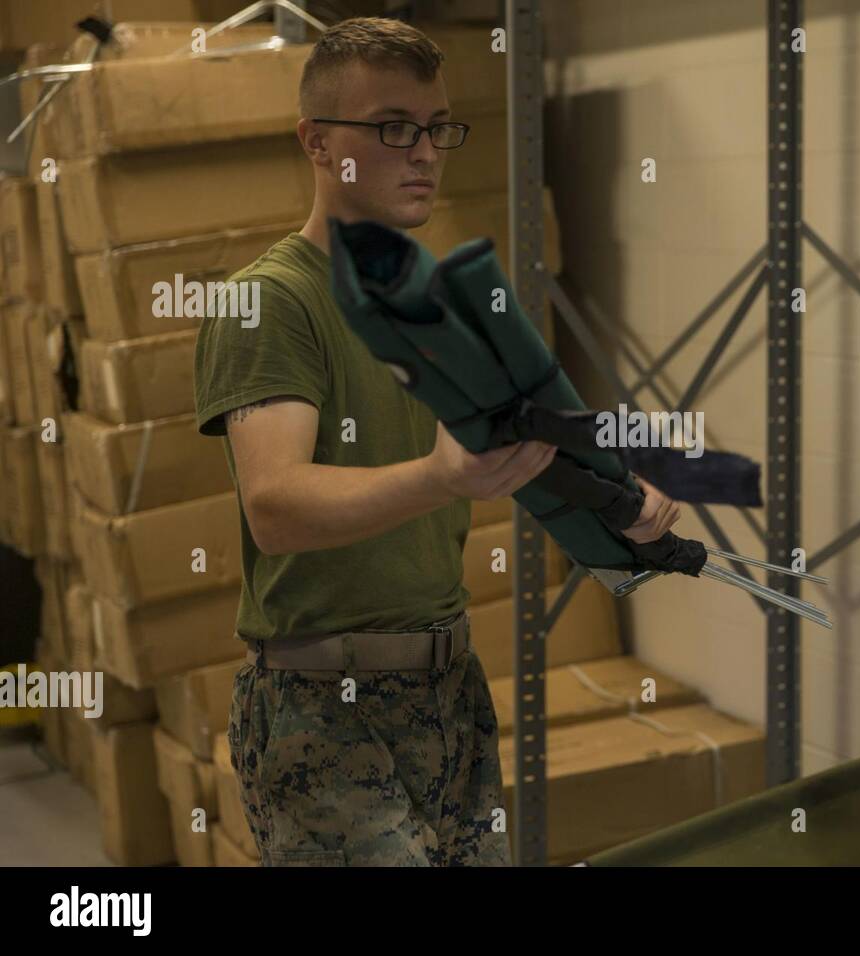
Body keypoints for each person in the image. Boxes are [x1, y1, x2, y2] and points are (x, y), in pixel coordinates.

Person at [193, 16, 681, 866]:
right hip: (324, 712)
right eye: (391, 128)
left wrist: (621, 509)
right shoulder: (271, 302)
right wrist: (439, 476)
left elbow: (522, 455)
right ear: (316, 141)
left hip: (449, 691)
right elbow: (274, 505)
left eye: (437, 128)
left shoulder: (432, 306)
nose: (423, 151)